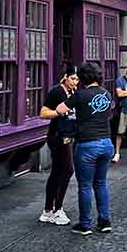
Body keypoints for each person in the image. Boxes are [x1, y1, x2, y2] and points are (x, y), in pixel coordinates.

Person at [55, 61, 114, 235]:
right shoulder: (106, 94)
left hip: (87, 143)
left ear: (82, 78)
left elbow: (59, 109)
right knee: (101, 183)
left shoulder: (80, 95)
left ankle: (85, 224)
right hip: (106, 143)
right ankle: (104, 221)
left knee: (85, 185)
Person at [38, 66, 79, 225]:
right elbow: (43, 113)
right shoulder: (56, 92)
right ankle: (55, 209)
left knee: (58, 172)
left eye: (77, 79)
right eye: (72, 79)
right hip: (57, 136)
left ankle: (49, 209)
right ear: (65, 77)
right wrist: (59, 112)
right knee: (67, 170)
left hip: (68, 136)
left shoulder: (73, 92)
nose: (75, 82)